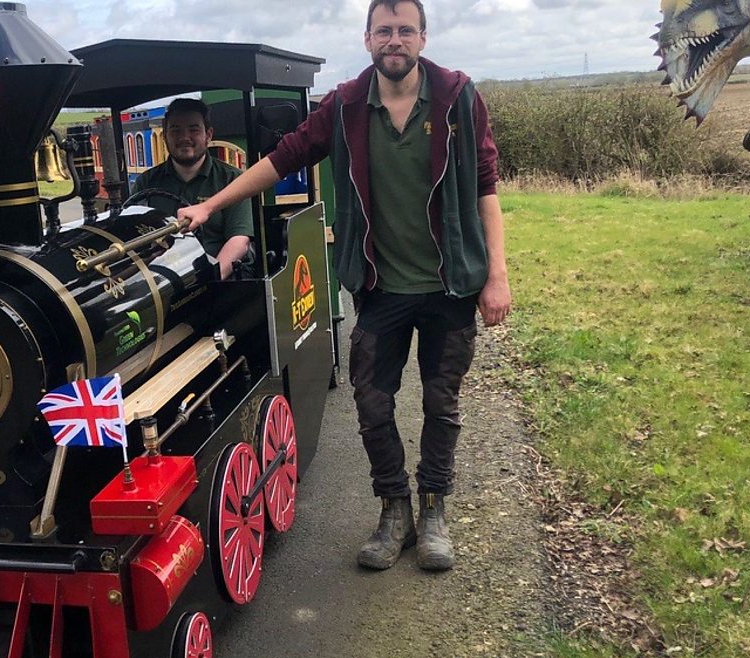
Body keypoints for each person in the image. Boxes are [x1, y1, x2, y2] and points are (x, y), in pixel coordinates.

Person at [178, 0, 511, 571]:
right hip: (381, 287)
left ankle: (434, 509)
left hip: (450, 285)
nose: (394, 40)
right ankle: (394, 509)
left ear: (423, 38)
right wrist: (211, 205)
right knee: (372, 403)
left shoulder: (458, 97)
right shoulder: (346, 105)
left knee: (441, 403)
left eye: (405, 30)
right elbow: (281, 160)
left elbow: (486, 188)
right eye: (384, 31)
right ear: (367, 40)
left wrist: (496, 275)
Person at [131, 98, 254, 279]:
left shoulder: (232, 180)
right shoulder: (145, 183)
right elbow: (133, 240)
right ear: (164, 135)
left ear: (208, 135)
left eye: (193, 129)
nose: (184, 138)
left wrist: (208, 280)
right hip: (163, 281)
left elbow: (239, 241)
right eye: (176, 130)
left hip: (221, 279)